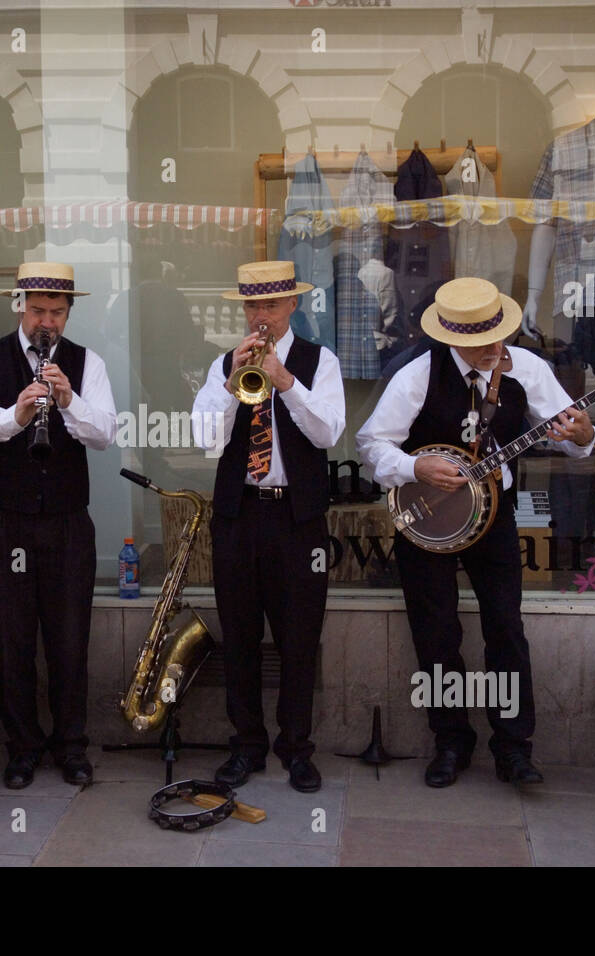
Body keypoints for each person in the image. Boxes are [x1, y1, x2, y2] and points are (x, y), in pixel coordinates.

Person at [356, 277, 595, 788]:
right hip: (426, 520)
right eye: (480, 341)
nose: (493, 349)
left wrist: (583, 434)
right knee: (436, 631)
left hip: (495, 517)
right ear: (451, 337)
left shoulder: (527, 367)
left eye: (498, 335)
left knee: (506, 628)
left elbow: (575, 436)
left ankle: (514, 748)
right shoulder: (417, 374)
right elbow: (371, 444)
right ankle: (450, 742)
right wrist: (413, 470)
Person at [0, 262, 117, 790]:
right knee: (12, 639)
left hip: (67, 521)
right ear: (20, 304)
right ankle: (21, 747)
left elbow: (105, 433)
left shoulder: (86, 363)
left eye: (58, 312)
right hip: (6, 521)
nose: (47, 321)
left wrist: (68, 400)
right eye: (39, 310)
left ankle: (71, 746)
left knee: (70, 640)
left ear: (69, 312)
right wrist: (16, 416)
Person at [191, 260, 345, 793]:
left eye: (271, 306)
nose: (261, 317)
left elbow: (327, 434)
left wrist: (286, 382)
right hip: (239, 515)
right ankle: (247, 746)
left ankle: (297, 748)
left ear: (292, 306)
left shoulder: (319, 361)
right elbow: (207, 440)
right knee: (240, 637)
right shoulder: (223, 366)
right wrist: (235, 386)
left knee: (299, 637)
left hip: (296, 518)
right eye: (253, 306)